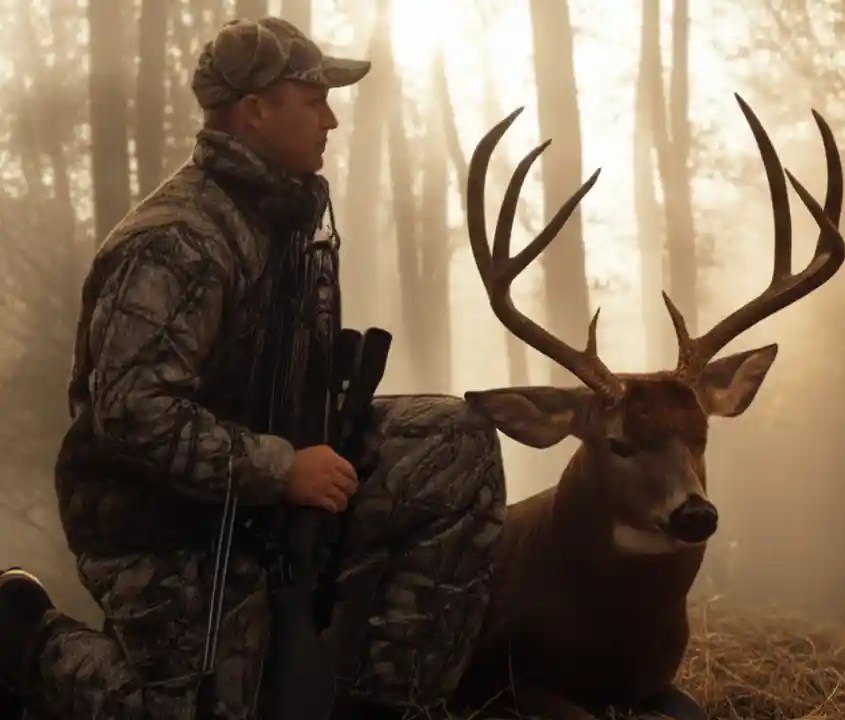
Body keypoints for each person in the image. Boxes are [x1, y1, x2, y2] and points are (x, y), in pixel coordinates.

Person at [0, 16, 505, 719]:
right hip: (162, 519)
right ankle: (28, 641)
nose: (331, 118)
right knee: (199, 711)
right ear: (255, 111)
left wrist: (314, 450)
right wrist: (282, 468)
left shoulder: (284, 219)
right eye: (313, 98)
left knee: (456, 442)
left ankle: (390, 704)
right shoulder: (177, 240)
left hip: (263, 489)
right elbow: (131, 414)